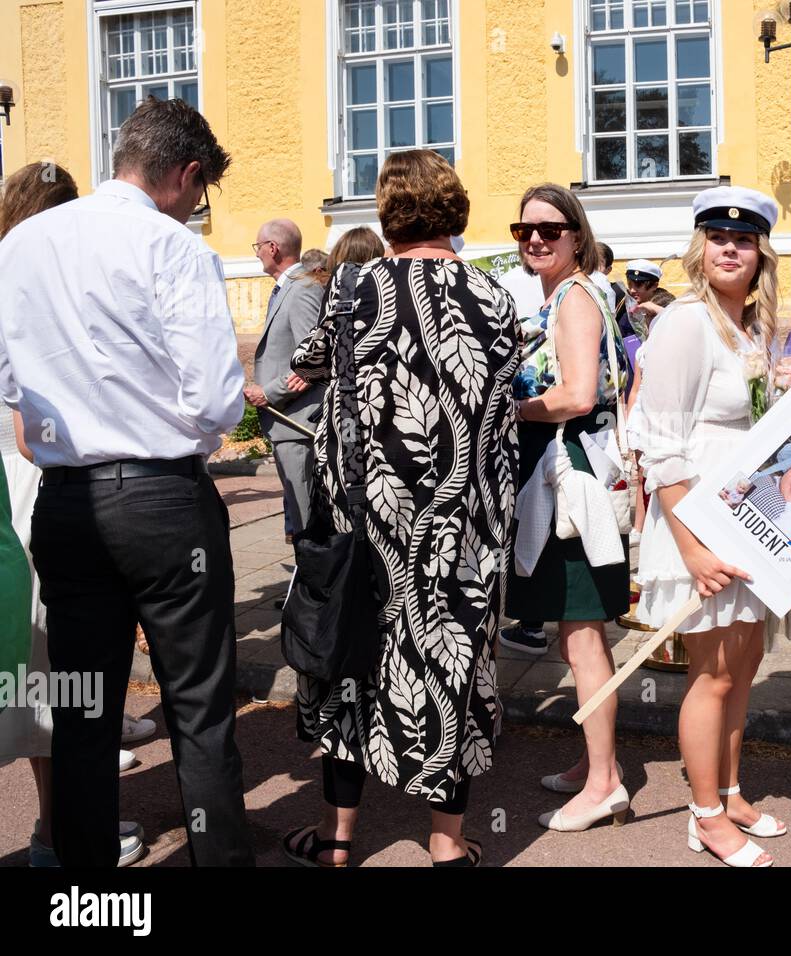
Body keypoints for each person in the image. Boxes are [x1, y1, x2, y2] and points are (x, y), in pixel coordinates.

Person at [0, 97, 254, 867]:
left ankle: (85, 896)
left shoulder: (23, 243)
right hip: (163, 498)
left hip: (69, 500)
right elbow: (217, 399)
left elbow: (9, 378)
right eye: (202, 193)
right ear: (187, 174)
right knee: (200, 710)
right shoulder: (173, 247)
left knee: (82, 710)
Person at [285, 149, 519, 867]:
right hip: (457, 527)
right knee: (450, 670)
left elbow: (310, 361)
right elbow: (501, 418)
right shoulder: (493, 295)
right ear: (455, 209)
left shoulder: (354, 286)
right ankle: (445, 846)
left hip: (366, 525)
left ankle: (337, 840)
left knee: (350, 665)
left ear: (388, 212)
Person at [633, 185, 785, 867]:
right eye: (719, 238)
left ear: (759, 255)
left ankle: (729, 790)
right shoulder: (686, 322)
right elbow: (659, 446)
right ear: (701, 248)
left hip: (749, 518)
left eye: (745, 239)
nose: (731, 248)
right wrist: (692, 549)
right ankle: (705, 818)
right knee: (714, 673)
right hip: (699, 522)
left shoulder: (748, 325)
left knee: (744, 666)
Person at [504, 182, 632, 830]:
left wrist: (509, 409)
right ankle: (595, 761)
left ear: (574, 235)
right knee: (575, 631)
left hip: (569, 484)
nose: (534, 239)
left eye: (549, 230)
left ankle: (605, 781)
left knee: (582, 637)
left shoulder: (575, 299)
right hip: (571, 479)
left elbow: (579, 395)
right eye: (523, 230)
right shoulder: (575, 295)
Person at [246, 219, 325, 541]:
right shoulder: (287, 288)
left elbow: (314, 359)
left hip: (297, 423)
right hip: (286, 423)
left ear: (273, 248)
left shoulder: (302, 288)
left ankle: (314, 586)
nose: (256, 255)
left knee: (306, 521)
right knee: (297, 517)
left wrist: (269, 392)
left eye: (258, 247)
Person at [615, 258, 676, 339]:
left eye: (638, 285)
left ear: (654, 285)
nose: (632, 290)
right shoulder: (627, 311)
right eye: (630, 284)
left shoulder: (667, 305)